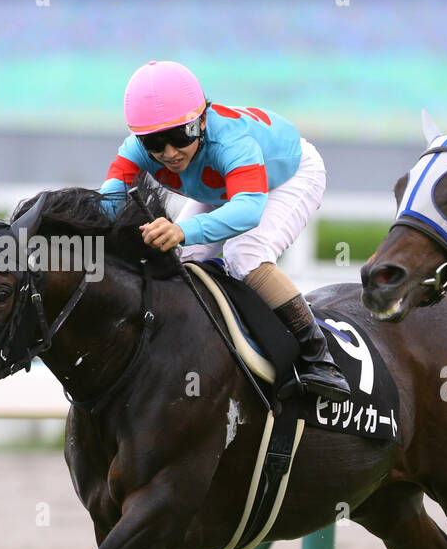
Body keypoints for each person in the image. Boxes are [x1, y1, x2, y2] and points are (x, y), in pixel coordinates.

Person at [99, 60, 351, 402]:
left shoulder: (230, 139)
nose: (170, 153)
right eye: (154, 143)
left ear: (202, 120)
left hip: (287, 176)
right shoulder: (137, 150)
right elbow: (106, 205)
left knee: (244, 255)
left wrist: (182, 229)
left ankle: (319, 356)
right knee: (181, 262)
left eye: (179, 136)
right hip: (222, 189)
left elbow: (248, 209)